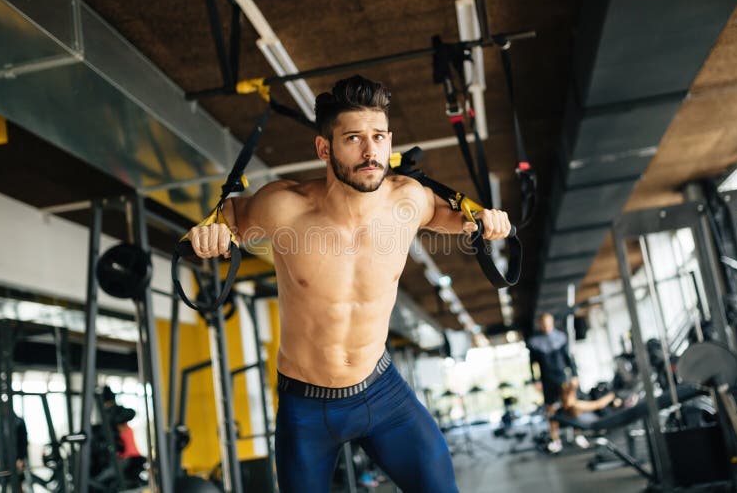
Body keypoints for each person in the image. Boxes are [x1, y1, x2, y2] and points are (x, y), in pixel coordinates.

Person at [188, 75, 512, 492]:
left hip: (383, 393)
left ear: (389, 142)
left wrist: (482, 221)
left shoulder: (408, 198)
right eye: (354, 138)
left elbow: (443, 214)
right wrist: (212, 231)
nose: (370, 151)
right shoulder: (285, 208)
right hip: (306, 407)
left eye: (378, 137)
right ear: (324, 148)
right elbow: (232, 215)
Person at [527, 312, 584, 453]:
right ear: (540, 324)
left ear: (551, 322)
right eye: (543, 323)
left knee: (571, 406)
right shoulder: (534, 342)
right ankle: (555, 440)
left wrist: (575, 375)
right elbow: (532, 364)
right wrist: (536, 380)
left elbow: (569, 358)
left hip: (563, 377)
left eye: (548, 323)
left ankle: (578, 435)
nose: (546, 326)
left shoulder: (561, 338)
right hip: (547, 380)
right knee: (551, 410)